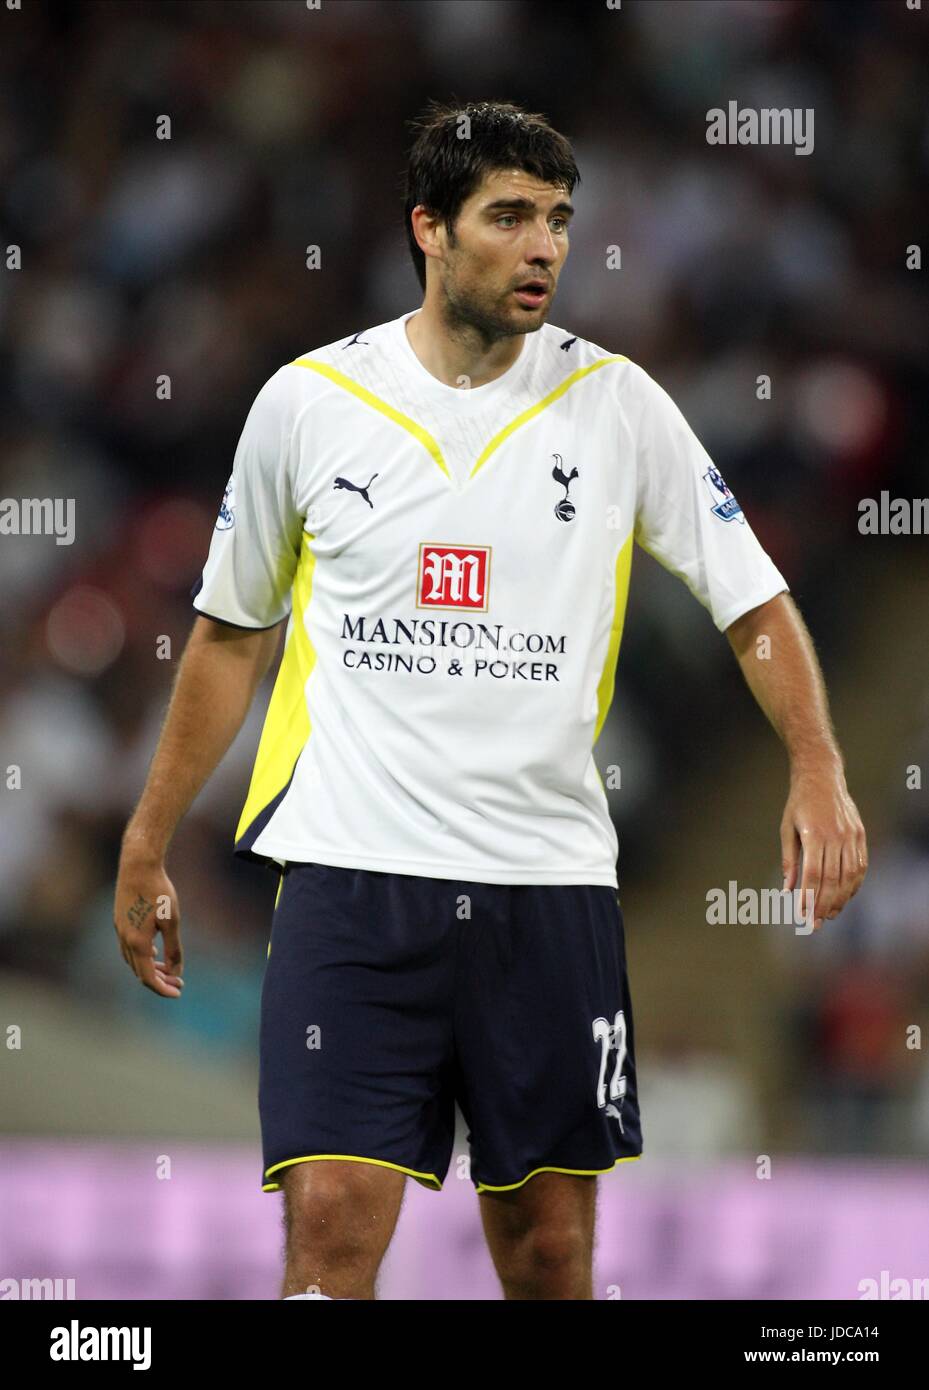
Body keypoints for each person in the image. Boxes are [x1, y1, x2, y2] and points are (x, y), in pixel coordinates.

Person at [113, 99, 868, 1301]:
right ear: (427, 228)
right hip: (350, 880)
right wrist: (149, 834)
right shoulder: (308, 403)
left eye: (559, 221)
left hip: (545, 886)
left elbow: (754, 603)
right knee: (332, 1228)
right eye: (509, 216)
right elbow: (225, 636)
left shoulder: (617, 404)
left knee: (551, 1252)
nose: (544, 248)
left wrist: (817, 766)